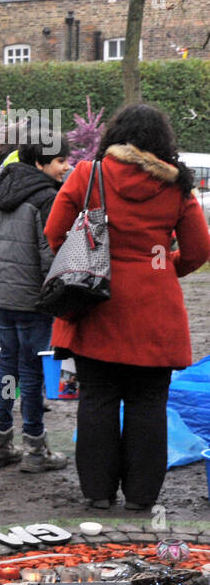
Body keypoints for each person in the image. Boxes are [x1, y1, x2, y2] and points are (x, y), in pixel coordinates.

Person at [45, 104, 210, 511]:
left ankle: (98, 494)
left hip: (96, 304)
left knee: (97, 399)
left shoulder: (89, 174)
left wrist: (86, 262)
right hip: (156, 310)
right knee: (148, 404)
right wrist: (164, 266)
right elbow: (199, 249)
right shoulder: (177, 186)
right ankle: (141, 497)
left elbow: (54, 234)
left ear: (115, 136)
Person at [0, 140, 71, 471]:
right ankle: (35, 449)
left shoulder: (0, 190)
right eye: (60, 160)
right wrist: (60, 296)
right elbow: (50, 254)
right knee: (32, 373)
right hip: (32, 299)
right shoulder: (46, 197)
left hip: (1, 295)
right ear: (40, 164)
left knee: (8, 366)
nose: (66, 167)